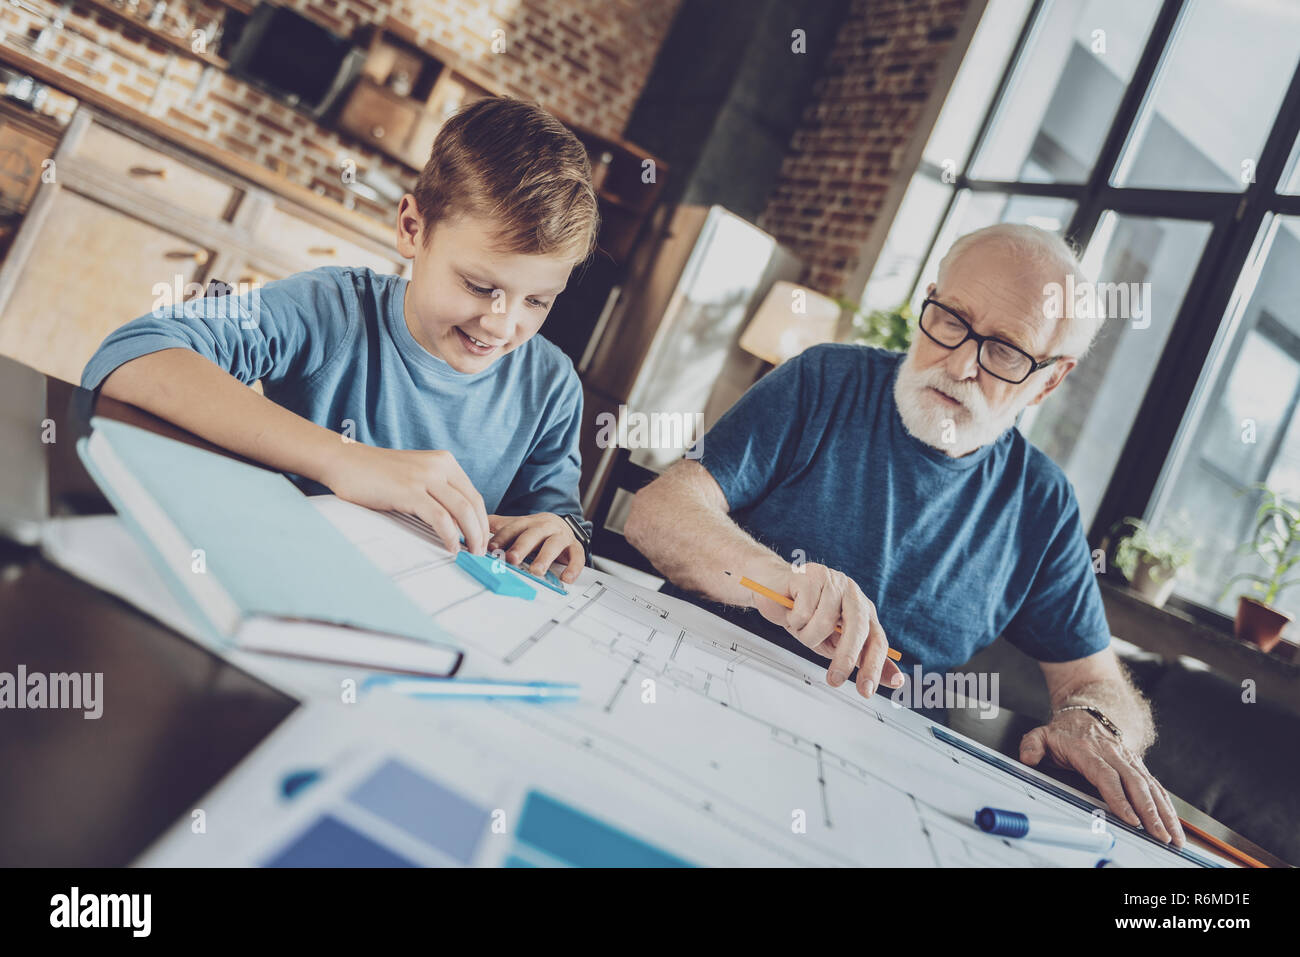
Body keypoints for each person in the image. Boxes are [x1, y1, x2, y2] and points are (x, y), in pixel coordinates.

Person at [625, 223, 1185, 845]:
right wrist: (780, 583)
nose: (960, 362)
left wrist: (1093, 720)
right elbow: (657, 512)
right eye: (950, 319)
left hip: (862, 772)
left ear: (1048, 381)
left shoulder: (1042, 504)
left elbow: (1098, 683)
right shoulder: (824, 381)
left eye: (1004, 350)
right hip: (692, 688)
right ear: (928, 298)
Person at [82, 97, 596, 583]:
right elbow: (132, 357)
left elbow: (557, 523)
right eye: (479, 287)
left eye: (538, 302)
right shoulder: (331, 307)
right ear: (412, 229)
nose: (502, 326)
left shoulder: (551, 386)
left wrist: (560, 534)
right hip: (276, 573)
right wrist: (345, 458)